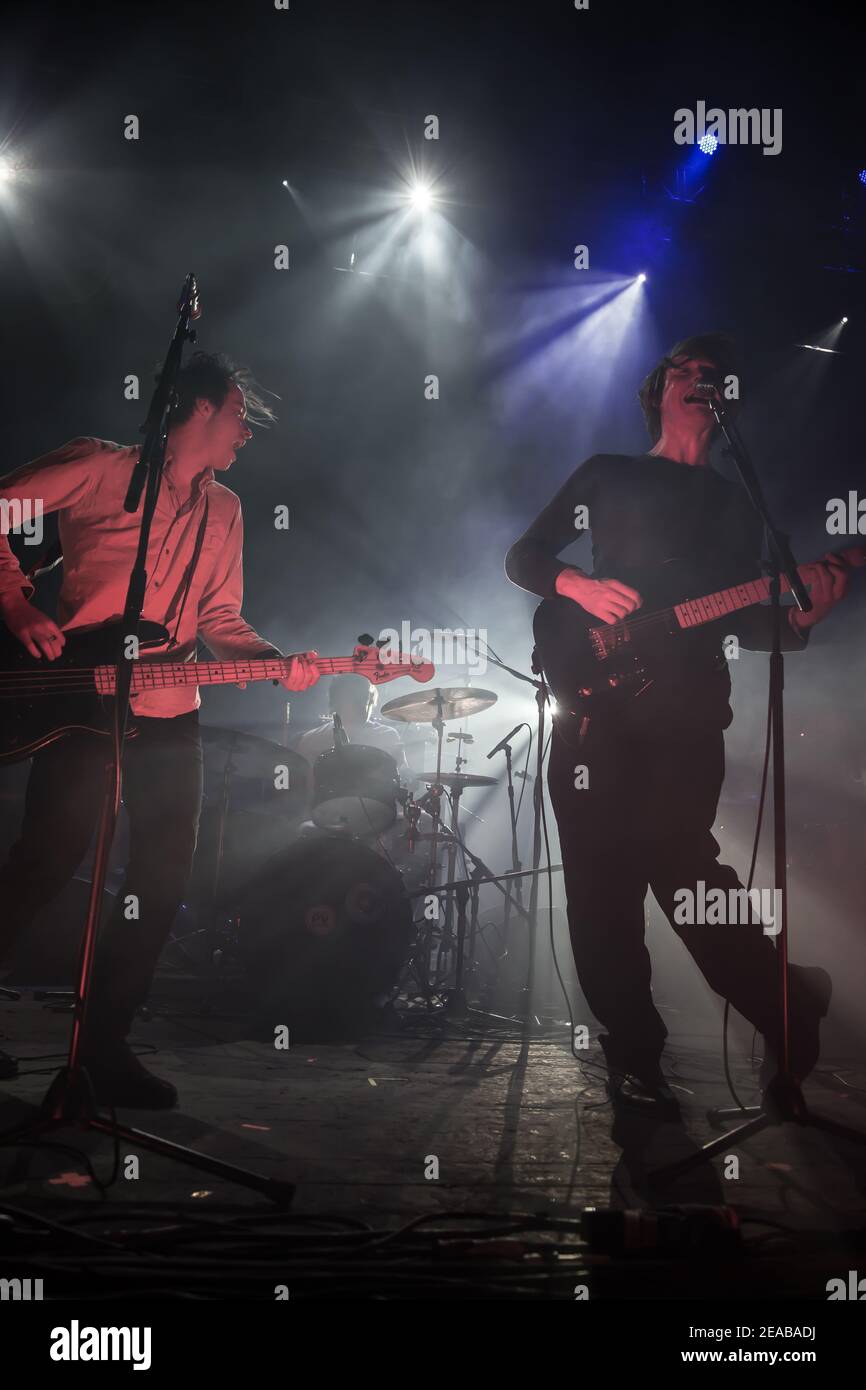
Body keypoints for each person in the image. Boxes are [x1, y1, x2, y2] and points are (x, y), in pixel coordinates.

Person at [505, 332, 849, 1112]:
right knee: (600, 893)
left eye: (715, 376)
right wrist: (577, 587)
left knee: (689, 875)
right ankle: (635, 1056)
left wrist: (801, 622)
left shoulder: (737, 504)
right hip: (594, 715)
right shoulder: (610, 474)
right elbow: (524, 556)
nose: (703, 381)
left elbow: (739, 624)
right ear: (659, 388)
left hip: (686, 719)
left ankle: (786, 1003)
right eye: (687, 371)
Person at [0, 352, 319, 1106]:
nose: (247, 432)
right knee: (47, 859)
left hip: (171, 707)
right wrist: (15, 603)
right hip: (84, 694)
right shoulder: (100, 469)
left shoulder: (228, 510)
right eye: (240, 415)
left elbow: (216, 618)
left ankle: (102, 1046)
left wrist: (273, 662)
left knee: (163, 877)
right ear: (201, 410)